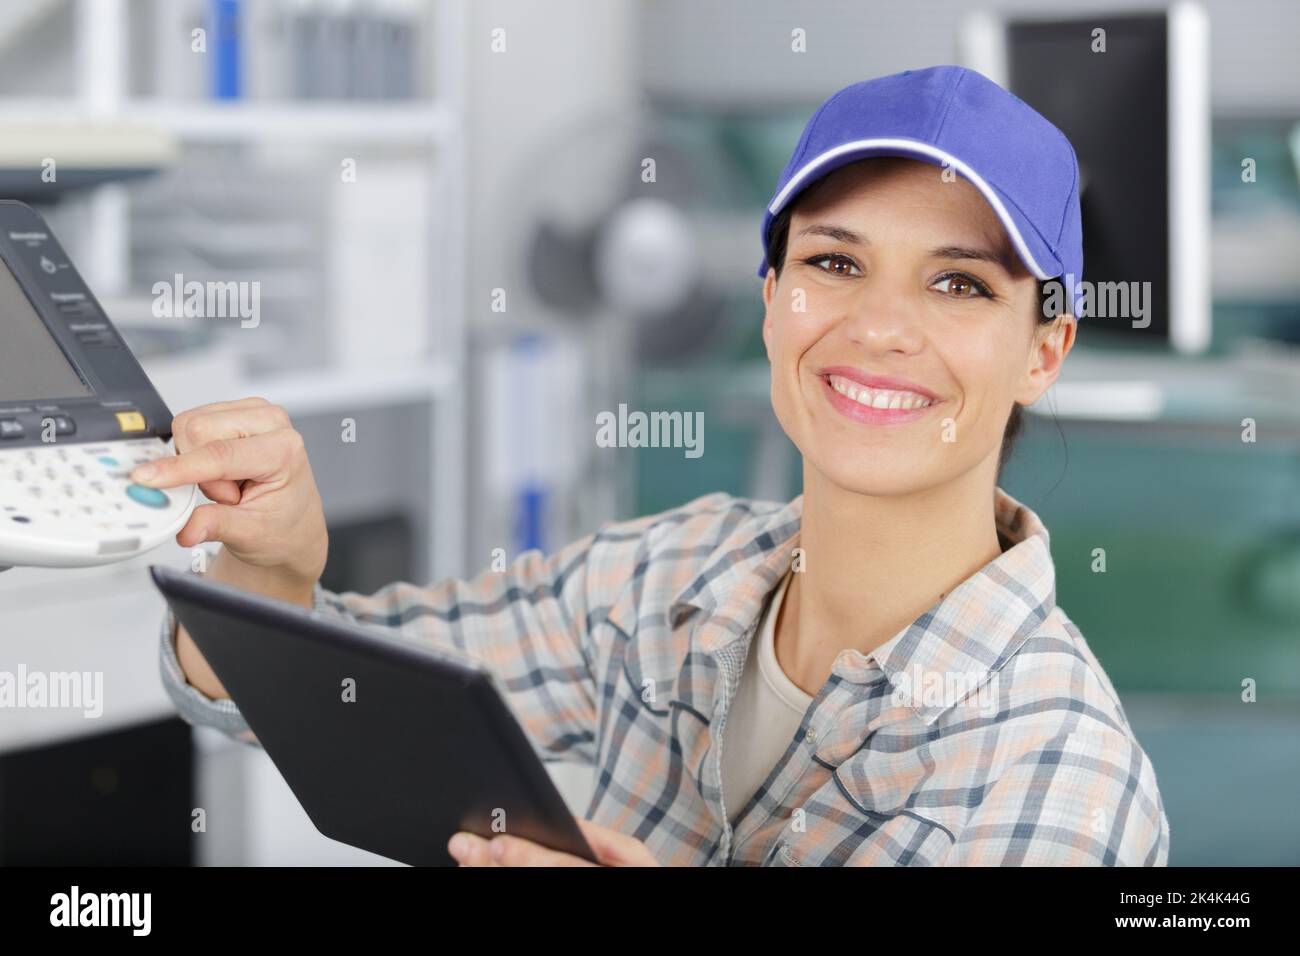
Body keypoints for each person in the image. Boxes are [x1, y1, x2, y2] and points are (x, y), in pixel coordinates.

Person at [151, 66, 1169, 866]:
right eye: (834, 262)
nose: (879, 328)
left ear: (1043, 349)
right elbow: (330, 700)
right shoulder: (668, 575)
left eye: (956, 282)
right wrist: (271, 571)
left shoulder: (1059, 781)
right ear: (770, 297)